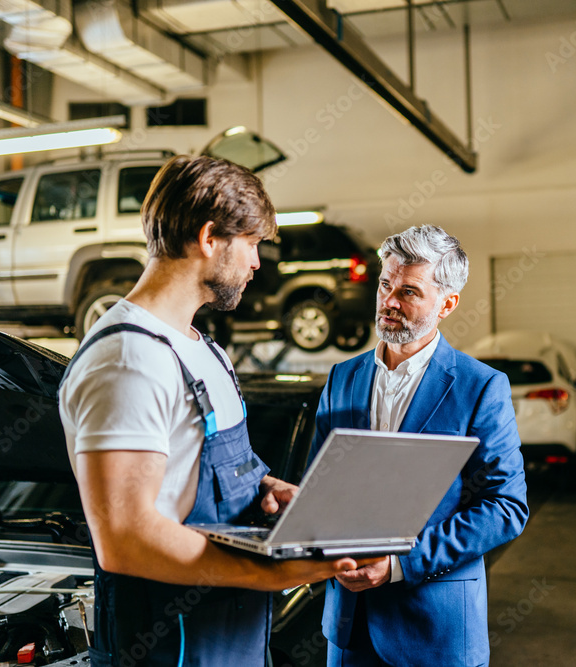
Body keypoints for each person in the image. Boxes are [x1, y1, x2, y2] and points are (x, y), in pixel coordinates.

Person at [59, 155, 371, 667]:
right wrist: (272, 573)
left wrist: (268, 489)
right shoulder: (128, 359)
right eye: (251, 244)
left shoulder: (203, 350)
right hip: (169, 646)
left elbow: (203, 469)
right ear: (208, 239)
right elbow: (125, 538)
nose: (256, 263)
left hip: (233, 635)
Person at [311, 225, 529, 667]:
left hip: (436, 631)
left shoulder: (480, 388)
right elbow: (318, 486)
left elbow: (506, 507)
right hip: (348, 630)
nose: (389, 301)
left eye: (409, 291)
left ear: (447, 303)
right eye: (385, 284)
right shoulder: (342, 379)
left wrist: (397, 565)